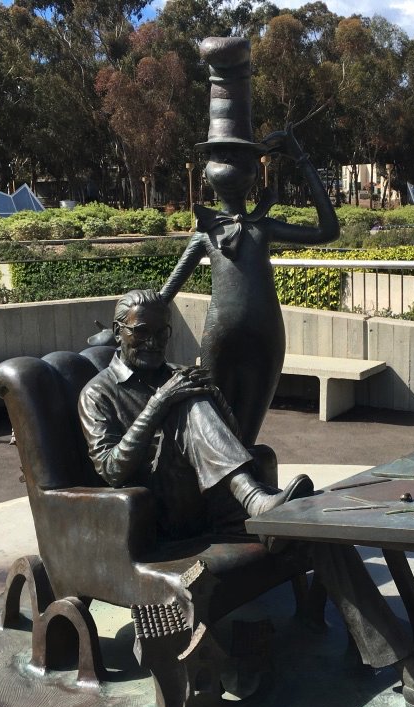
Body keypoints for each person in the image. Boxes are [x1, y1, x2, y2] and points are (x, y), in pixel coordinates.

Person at [79, 289, 414, 707]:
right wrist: (162, 403)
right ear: (117, 331)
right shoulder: (97, 394)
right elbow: (110, 470)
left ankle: (413, 675)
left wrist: (212, 398)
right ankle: (259, 504)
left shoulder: (176, 376)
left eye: (161, 334)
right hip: (161, 519)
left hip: (214, 505)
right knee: (184, 405)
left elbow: (235, 443)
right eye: (141, 332)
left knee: (317, 529)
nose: (151, 343)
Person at [159, 38, 339, 448]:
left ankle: (248, 497)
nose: (229, 167)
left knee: (248, 433)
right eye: (220, 157)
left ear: (255, 170)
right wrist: (122, 326)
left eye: (239, 158)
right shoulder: (206, 230)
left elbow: (328, 231)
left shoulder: (262, 227)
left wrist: (302, 159)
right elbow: (165, 293)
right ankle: (226, 500)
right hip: (223, 337)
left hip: (264, 336)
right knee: (219, 434)